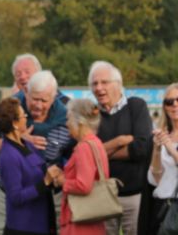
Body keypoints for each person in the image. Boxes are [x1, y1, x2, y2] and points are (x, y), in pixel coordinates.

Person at [0, 70, 71, 235]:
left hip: (49, 197)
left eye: (44, 100)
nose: (38, 105)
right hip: (10, 196)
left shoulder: (66, 115)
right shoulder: (10, 109)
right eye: (34, 99)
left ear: (54, 97)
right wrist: (17, 140)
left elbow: (71, 150)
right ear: (26, 92)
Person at [88, 60, 150, 235]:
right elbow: (85, 154)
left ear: (118, 84)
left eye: (104, 82)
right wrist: (119, 142)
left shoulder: (136, 106)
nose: (99, 88)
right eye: (94, 84)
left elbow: (141, 149)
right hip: (102, 196)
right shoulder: (90, 115)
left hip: (134, 195)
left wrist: (100, 152)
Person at [0, 97, 56, 234]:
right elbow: (16, 197)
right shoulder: (9, 155)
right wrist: (45, 182)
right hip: (24, 227)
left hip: (40, 221)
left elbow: (39, 171)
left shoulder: (26, 144)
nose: (26, 118)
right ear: (15, 123)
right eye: (24, 115)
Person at [58, 98, 110, 235]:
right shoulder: (96, 143)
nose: (67, 124)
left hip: (80, 221)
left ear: (80, 123)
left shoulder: (83, 147)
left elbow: (83, 185)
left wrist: (62, 181)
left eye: (69, 119)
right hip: (93, 216)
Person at [148, 82, 178, 234]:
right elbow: (155, 178)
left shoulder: (169, 141)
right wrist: (157, 149)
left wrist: (172, 149)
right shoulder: (164, 133)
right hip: (164, 207)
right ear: (164, 106)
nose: (174, 105)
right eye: (169, 102)